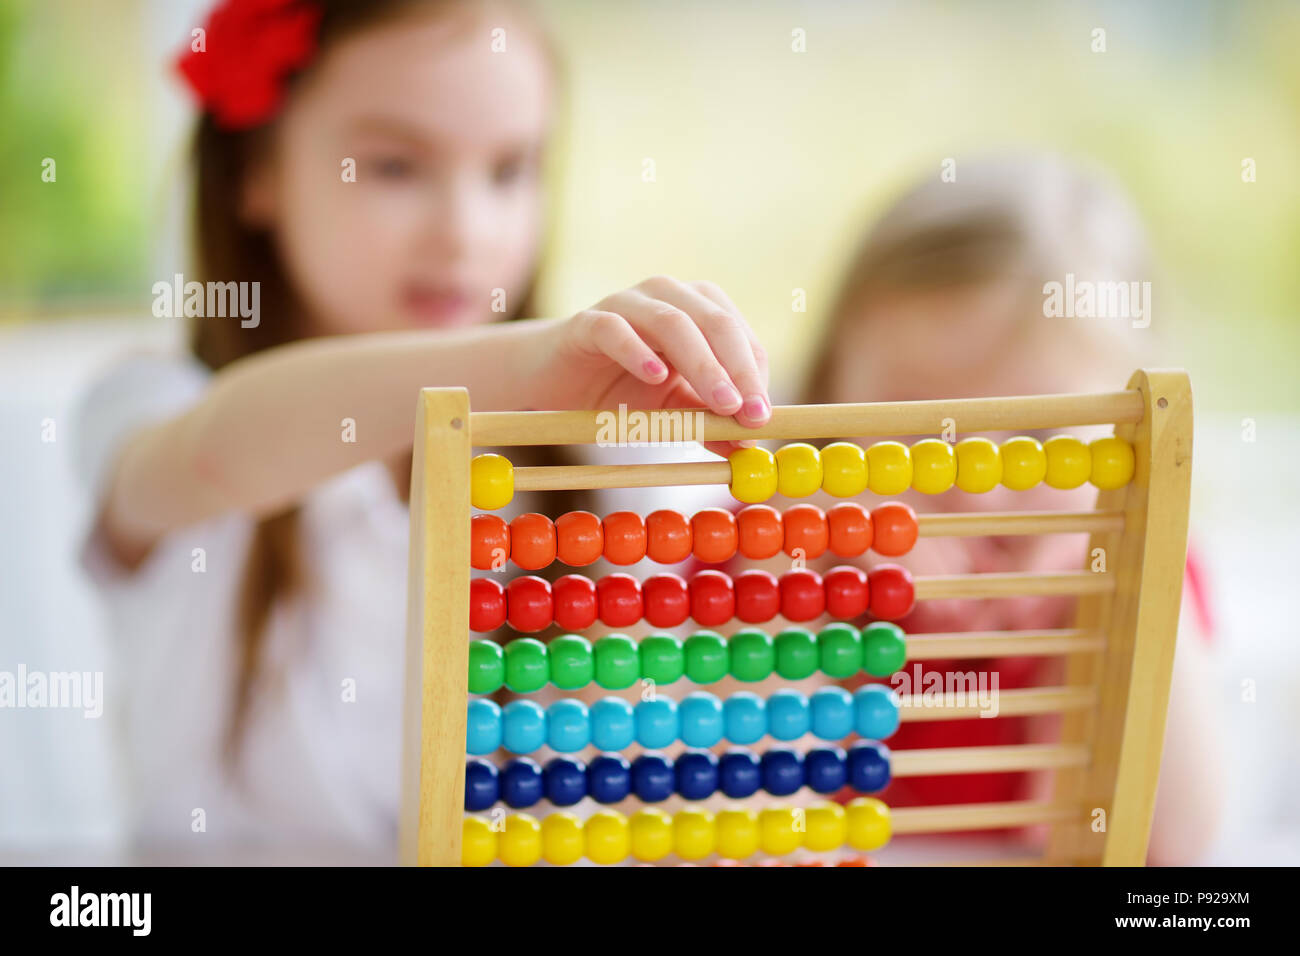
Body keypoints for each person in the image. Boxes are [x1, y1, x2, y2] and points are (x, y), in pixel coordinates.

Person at [75, 0, 770, 857]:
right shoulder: (147, 404)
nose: (463, 233)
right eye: (395, 167)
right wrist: (516, 367)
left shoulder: (603, 452)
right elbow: (219, 454)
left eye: (510, 169)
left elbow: (743, 612)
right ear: (257, 169)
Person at [797, 154, 1224, 865]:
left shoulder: (1145, 572)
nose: (977, 489)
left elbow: (1181, 845)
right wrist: (802, 541)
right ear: (825, 407)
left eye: (1037, 438)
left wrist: (1113, 575)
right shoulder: (773, 550)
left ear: (1131, 445)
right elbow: (721, 784)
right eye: (914, 426)